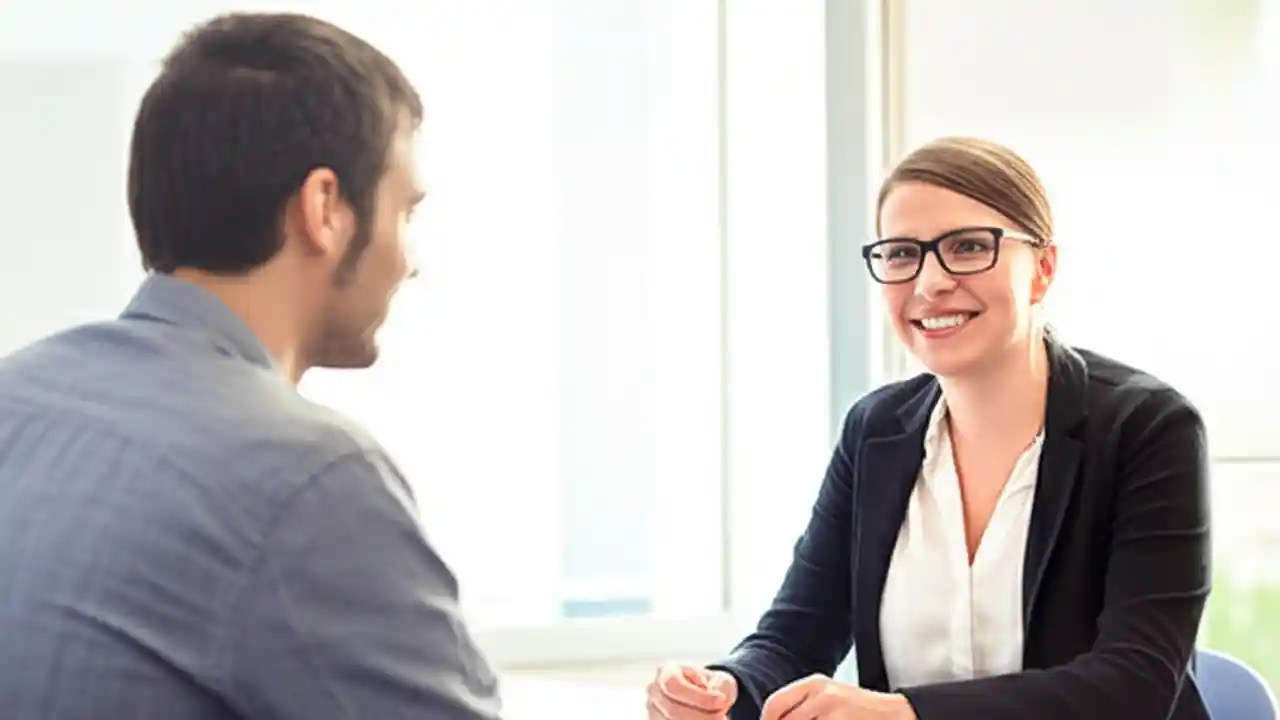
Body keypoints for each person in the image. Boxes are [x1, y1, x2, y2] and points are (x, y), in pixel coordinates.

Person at [0, 13, 502, 719]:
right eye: (405, 213)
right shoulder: (308, 475)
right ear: (324, 207)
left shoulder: (17, 399)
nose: (410, 261)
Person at [646, 137, 1211, 719]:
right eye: (900, 254)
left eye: (967, 247)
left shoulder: (1148, 428)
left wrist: (905, 714)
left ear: (1042, 270)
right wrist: (724, 686)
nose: (929, 282)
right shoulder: (875, 432)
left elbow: (1134, 684)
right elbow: (797, 634)